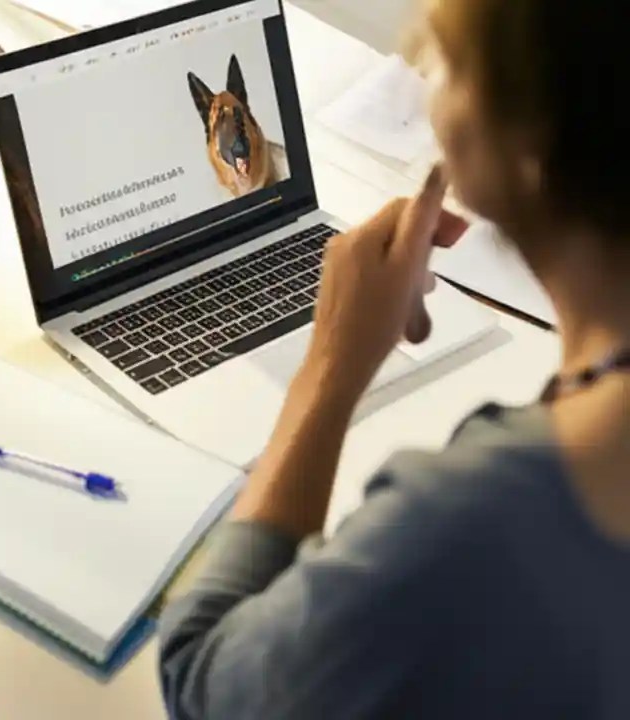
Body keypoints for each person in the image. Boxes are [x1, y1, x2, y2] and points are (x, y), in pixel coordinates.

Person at [159, 0, 630, 718]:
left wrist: (332, 360)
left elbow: (205, 681)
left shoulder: (475, 514)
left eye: (443, 61)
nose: (418, 89)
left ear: (529, 138)